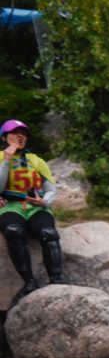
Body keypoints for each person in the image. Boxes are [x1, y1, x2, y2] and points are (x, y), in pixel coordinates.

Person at [1, 120, 64, 303]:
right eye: (15, 133)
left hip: (34, 207)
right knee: (13, 231)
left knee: (48, 233)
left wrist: (44, 202)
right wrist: (6, 160)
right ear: (4, 137)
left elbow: (51, 189)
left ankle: (57, 280)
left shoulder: (37, 161)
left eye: (24, 133)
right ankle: (29, 281)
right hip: (10, 206)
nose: (21, 136)